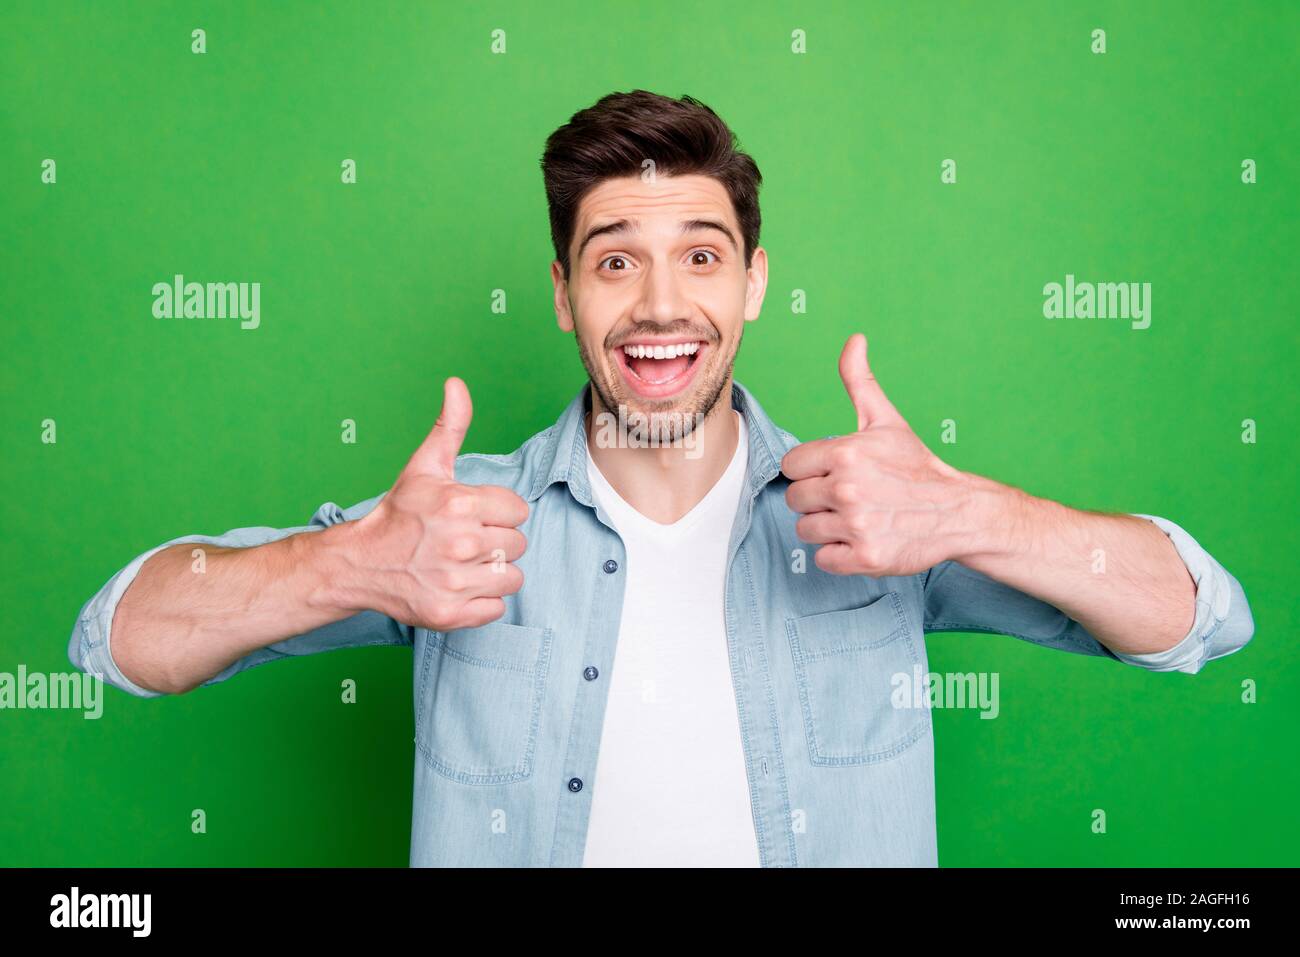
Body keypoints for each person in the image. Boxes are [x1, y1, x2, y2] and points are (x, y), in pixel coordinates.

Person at [68, 90, 1255, 867]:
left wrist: (970, 515)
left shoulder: (875, 516)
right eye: (613, 261)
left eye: (699, 256)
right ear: (561, 294)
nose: (658, 306)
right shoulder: (453, 526)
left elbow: (1201, 616)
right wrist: (347, 561)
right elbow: (117, 638)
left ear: (751, 283)